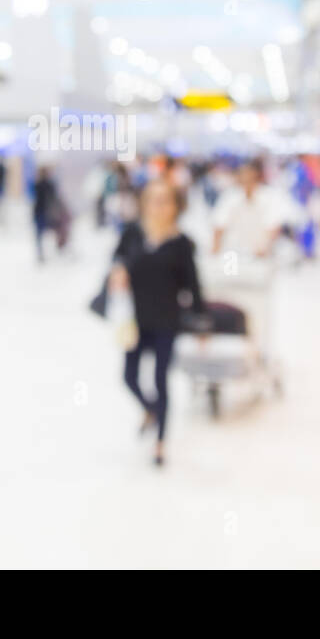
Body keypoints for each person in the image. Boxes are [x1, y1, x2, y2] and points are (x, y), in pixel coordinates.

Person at [108, 178, 204, 466]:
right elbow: (117, 259)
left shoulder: (182, 243)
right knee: (128, 377)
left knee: (161, 379)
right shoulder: (132, 234)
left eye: (165, 200)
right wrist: (118, 271)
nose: (158, 206)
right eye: (152, 199)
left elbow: (193, 285)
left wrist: (202, 322)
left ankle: (161, 442)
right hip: (134, 321)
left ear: (175, 206)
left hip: (166, 320)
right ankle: (150, 410)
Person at [210, 158, 287, 347]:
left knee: (258, 304)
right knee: (229, 296)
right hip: (232, 256)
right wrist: (215, 249)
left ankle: (258, 347)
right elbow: (219, 225)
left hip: (258, 259)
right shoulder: (230, 197)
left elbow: (273, 227)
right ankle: (231, 341)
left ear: (257, 176)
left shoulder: (269, 197)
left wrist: (264, 247)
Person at [32, 165, 70, 262]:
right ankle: (55, 249)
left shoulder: (38, 184)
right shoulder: (48, 184)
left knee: (40, 235)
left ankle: (42, 253)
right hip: (47, 212)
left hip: (41, 212)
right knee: (53, 232)